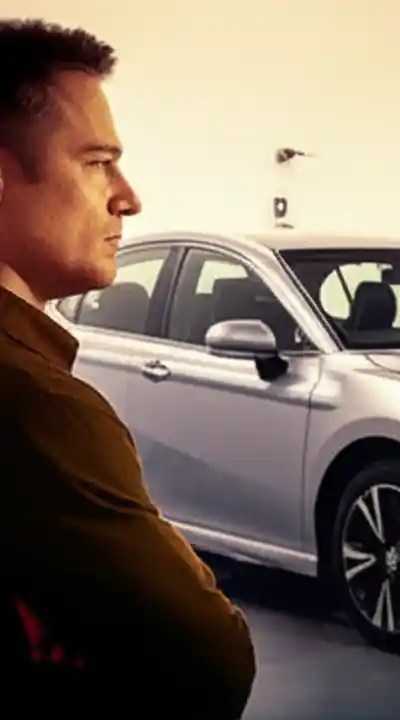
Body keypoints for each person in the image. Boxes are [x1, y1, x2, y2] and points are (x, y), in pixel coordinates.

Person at [0, 18, 256, 715]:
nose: (128, 196)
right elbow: (209, 663)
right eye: (95, 160)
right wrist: (179, 551)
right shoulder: (33, 404)